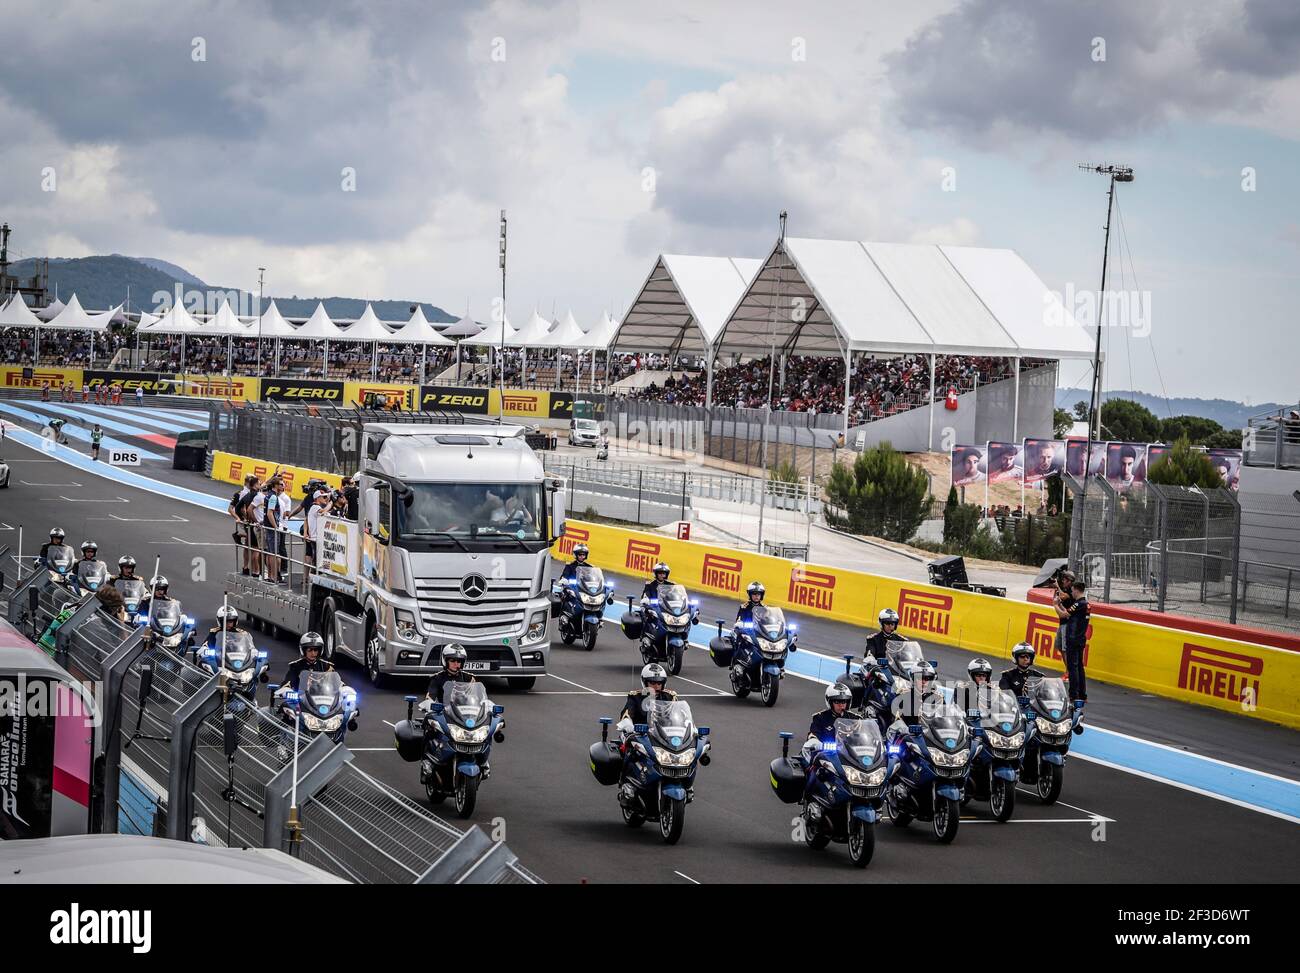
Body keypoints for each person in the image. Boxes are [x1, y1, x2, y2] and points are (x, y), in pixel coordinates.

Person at [1061, 581, 1089, 721]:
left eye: (1072, 590)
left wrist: (1055, 605)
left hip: (1073, 639)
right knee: (1080, 667)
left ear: (1077, 590)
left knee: (1073, 667)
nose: (1071, 593)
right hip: (1081, 639)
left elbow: (1064, 615)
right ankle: (1082, 694)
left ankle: (1074, 694)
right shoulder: (1087, 604)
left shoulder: (1079, 604)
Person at [618, 662, 676, 730]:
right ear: (644, 682)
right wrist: (627, 723)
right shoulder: (635, 697)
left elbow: (679, 715)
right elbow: (626, 714)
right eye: (652, 683)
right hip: (641, 735)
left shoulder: (670, 697)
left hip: (665, 735)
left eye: (659, 683)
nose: (656, 686)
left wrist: (686, 723)